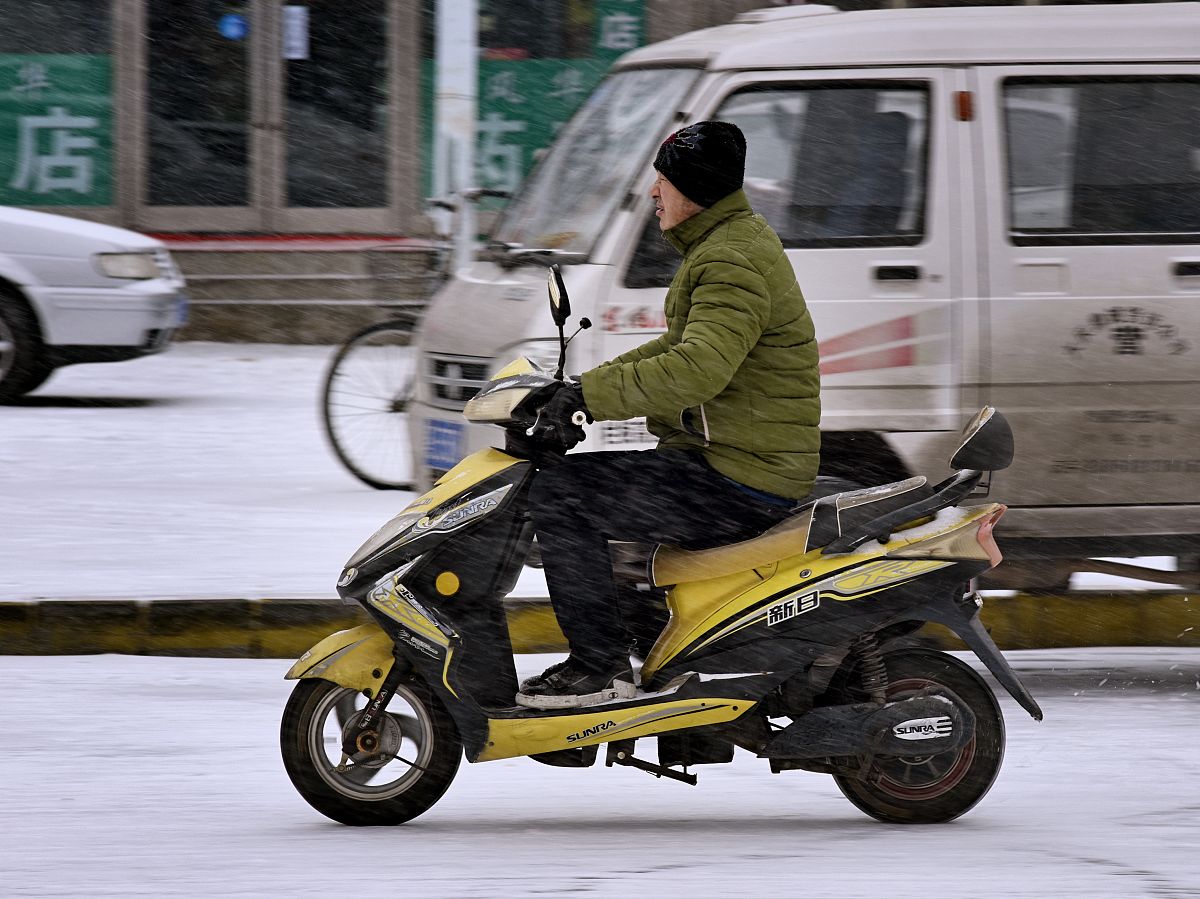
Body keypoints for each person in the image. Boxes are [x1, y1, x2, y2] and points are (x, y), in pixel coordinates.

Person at [516, 120, 821, 708]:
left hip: (741, 477)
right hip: (732, 463)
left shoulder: (731, 258)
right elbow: (676, 352)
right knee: (602, 511)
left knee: (561, 497)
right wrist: (579, 388)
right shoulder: (725, 245)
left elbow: (696, 369)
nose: (654, 191)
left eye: (666, 178)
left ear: (695, 189)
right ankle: (663, 664)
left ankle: (600, 668)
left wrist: (588, 398)